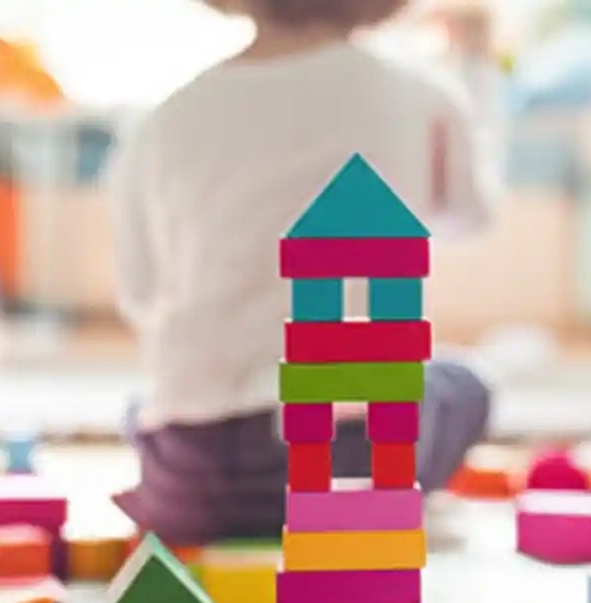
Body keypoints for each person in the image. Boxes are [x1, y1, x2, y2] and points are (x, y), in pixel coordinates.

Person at [111, 0, 500, 545]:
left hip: (192, 474)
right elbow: (471, 214)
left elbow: (140, 293)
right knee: (463, 385)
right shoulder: (421, 96)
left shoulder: (163, 121)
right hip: (349, 456)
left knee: (145, 404)